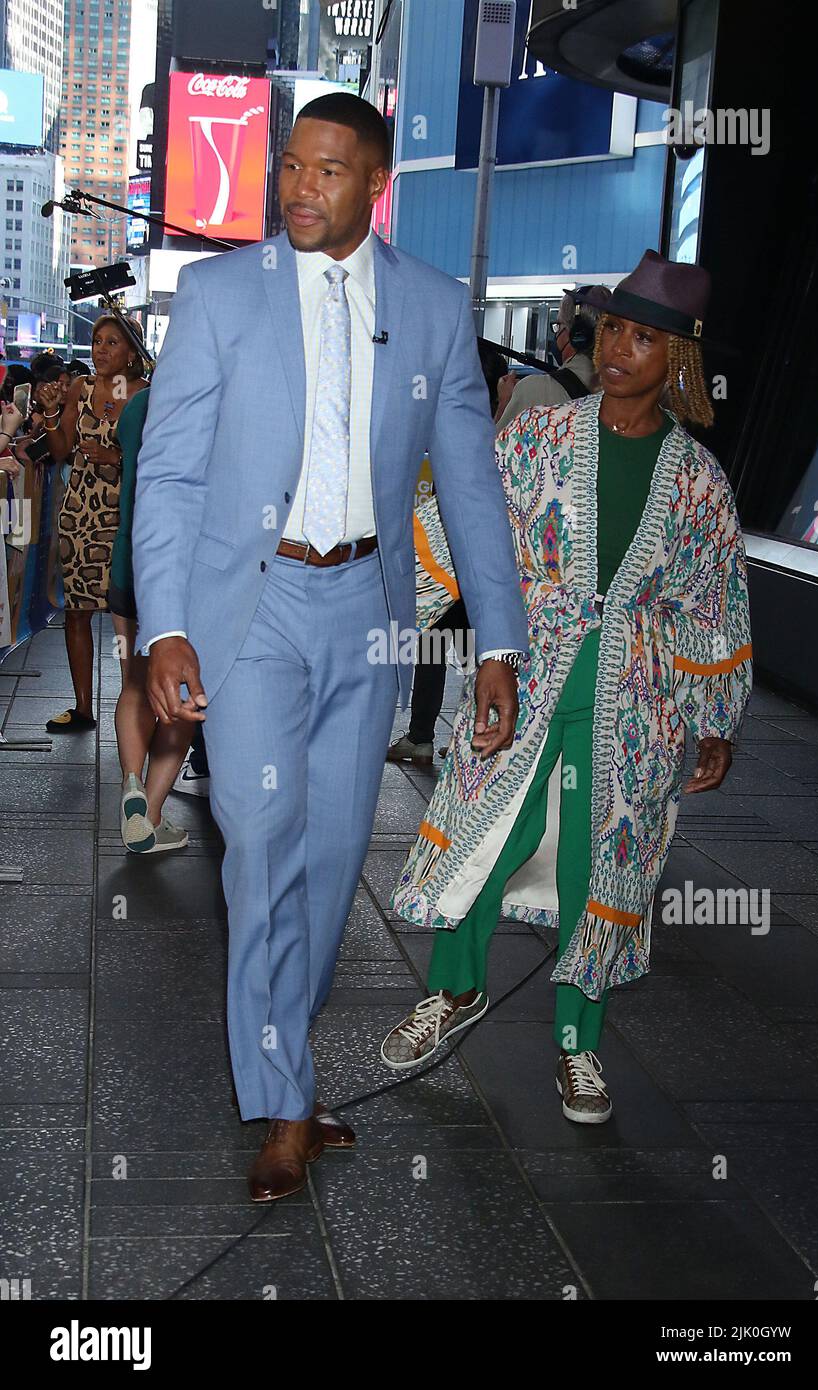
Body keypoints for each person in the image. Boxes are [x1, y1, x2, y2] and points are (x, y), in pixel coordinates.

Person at [131, 92, 528, 1202]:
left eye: (327, 170)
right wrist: (165, 625)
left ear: (375, 183)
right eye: (290, 167)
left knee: (333, 859)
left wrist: (497, 641)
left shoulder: (436, 310)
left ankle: (282, 1062)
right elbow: (166, 474)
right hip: (248, 615)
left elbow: (474, 489)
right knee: (260, 849)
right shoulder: (217, 297)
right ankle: (284, 1102)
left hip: (369, 610)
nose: (299, 188)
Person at [382, 250, 752, 1126]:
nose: (620, 347)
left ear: (681, 361)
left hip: (637, 702)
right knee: (488, 828)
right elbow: (467, 529)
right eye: (615, 327)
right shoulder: (540, 436)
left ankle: (578, 1043)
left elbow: (714, 604)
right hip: (524, 671)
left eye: (646, 337)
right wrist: (371, 593)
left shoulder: (698, 482)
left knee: (602, 861)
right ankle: (455, 990)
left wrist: (713, 723)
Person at [386, 338, 507, 768]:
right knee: (466, 647)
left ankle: (432, 734)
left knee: (439, 645)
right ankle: (464, 733)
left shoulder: (493, 422)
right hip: (477, 564)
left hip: (457, 559)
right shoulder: (484, 413)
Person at [40, 316, 148, 732]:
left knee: (129, 617)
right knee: (77, 613)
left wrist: (116, 459)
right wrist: (51, 415)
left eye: (111, 342)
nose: (100, 350)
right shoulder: (80, 390)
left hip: (124, 518)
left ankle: (134, 703)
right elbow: (62, 448)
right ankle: (83, 707)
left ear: (132, 353)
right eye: (96, 341)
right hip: (79, 515)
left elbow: (155, 459)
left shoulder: (144, 396)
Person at [108, 387, 191, 853]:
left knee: (136, 683)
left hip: (129, 559)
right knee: (183, 694)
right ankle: (152, 815)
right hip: (183, 568)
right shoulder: (201, 400)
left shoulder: (137, 405)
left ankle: (132, 782)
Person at [495, 285, 612, 431]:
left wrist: (504, 403)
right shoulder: (624, 390)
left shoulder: (534, 390)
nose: (556, 335)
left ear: (577, 335)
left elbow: (492, 449)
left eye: (559, 326)